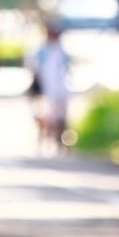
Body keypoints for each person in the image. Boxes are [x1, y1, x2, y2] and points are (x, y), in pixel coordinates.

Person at [31, 24, 70, 153]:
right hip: (45, 89)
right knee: (44, 116)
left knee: (60, 117)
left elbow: (66, 70)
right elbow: (36, 70)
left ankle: (60, 142)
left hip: (60, 89)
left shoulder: (61, 51)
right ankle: (42, 142)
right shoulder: (42, 51)